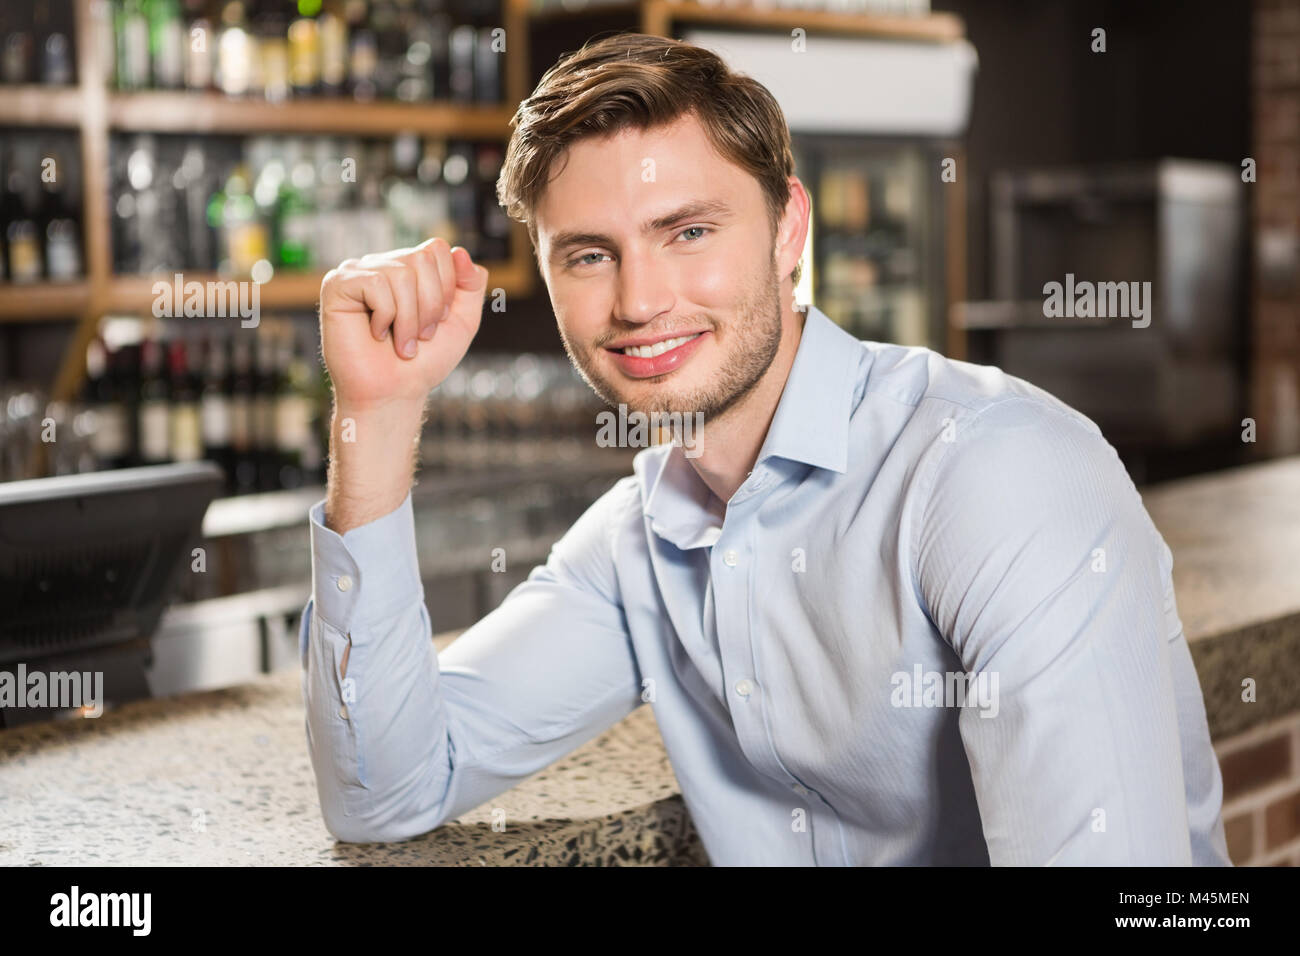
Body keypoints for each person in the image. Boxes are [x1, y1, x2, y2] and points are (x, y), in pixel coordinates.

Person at [301, 32, 1231, 865]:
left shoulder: (994, 472)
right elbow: (387, 791)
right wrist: (377, 411)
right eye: (589, 254)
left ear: (790, 227)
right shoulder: (638, 543)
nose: (638, 300)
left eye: (689, 232)